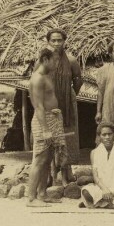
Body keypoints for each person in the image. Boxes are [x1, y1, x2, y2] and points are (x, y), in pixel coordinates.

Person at [26, 48, 68, 207]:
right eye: (55, 60)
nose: (57, 64)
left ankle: (42, 193)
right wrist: (45, 130)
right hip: (42, 121)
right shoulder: (37, 79)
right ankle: (31, 198)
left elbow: (48, 101)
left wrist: (54, 110)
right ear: (45, 59)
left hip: (51, 117)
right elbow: (38, 107)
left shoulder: (46, 76)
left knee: (48, 158)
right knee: (40, 159)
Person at [46, 28, 83, 170]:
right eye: (53, 40)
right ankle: (51, 171)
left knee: (67, 134)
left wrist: (69, 94)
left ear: (64, 41)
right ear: (48, 42)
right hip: (49, 102)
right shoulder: (44, 60)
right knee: (50, 134)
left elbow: (78, 81)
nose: (56, 43)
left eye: (59, 40)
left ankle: (66, 171)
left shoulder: (72, 61)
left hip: (68, 102)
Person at [82, 123, 114, 209]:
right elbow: (95, 176)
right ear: (99, 136)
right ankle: (106, 202)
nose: (107, 137)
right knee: (86, 191)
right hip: (102, 189)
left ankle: (100, 202)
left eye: (110, 134)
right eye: (104, 134)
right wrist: (104, 189)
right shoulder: (94, 153)